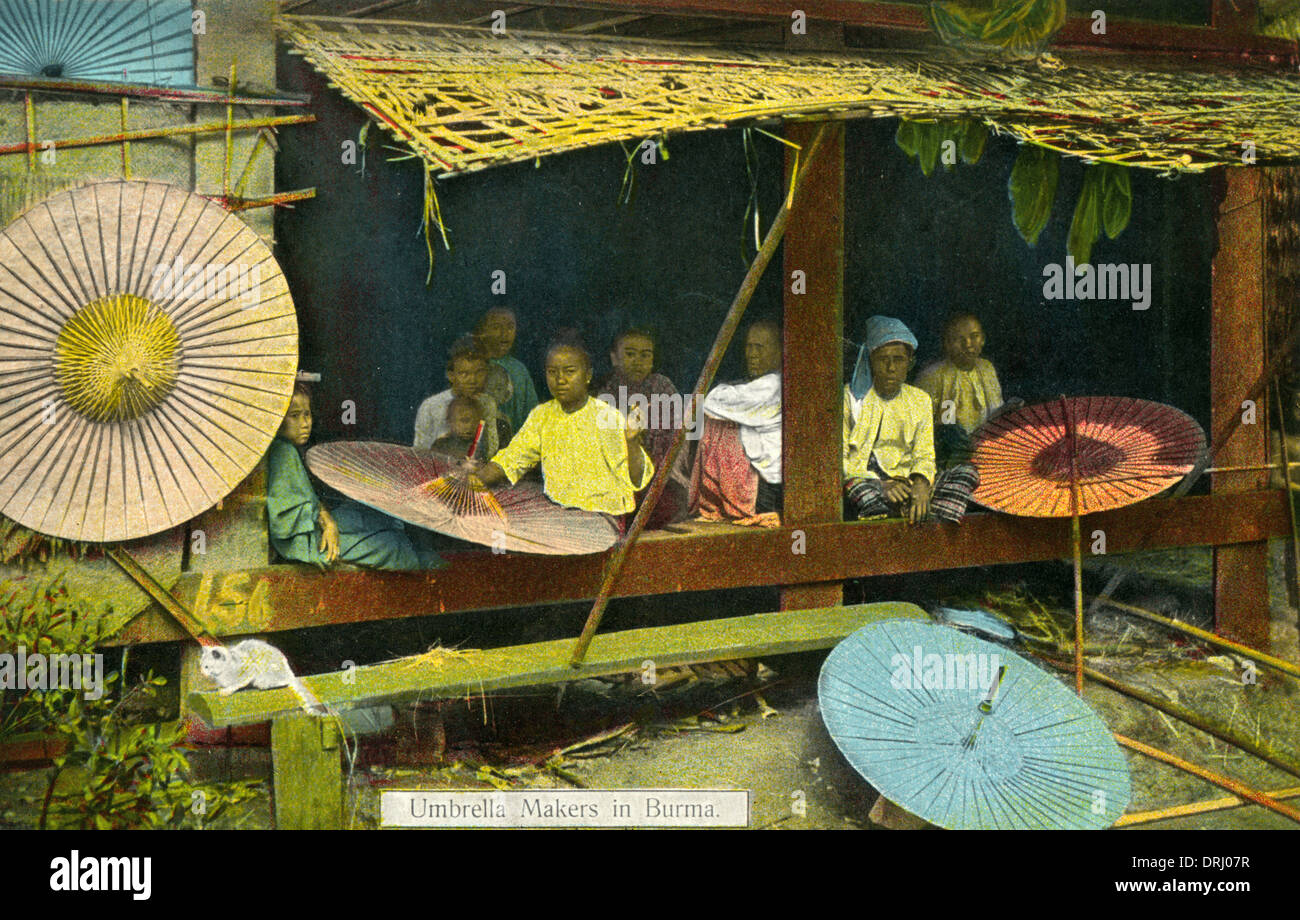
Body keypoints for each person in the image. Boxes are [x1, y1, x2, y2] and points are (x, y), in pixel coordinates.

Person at [465, 339, 653, 522]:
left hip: (603, 516)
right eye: (552, 372)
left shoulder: (608, 417)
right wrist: (477, 479)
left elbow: (636, 480)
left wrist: (631, 442)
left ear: (587, 375)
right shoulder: (542, 415)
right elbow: (512, 458)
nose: (560, 380)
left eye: (569, 372)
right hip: (560, 512)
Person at [267, 383, 442, 570]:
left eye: (307, 414)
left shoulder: (290, 449)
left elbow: (307, 499)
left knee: (372, 516)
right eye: (294, 416)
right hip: (306, 539)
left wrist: (327, 519)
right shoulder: (282, 451)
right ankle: (426, 564)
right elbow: (292, 517)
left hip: (316, 525)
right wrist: (328, 523)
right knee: (390, 545)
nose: (305, 423)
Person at [843, 316, 979, 524]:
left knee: (967, 473)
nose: (890, 368)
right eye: (882, 359)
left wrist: (921, 484)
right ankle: (893, 516)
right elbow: (841, 459)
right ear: (871, 362)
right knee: (856, 487)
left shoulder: (919, 400)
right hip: (872, 483)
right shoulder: (851, 397)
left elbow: (924, 454)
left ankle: (929, 518)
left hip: (908, 484)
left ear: (910, 363)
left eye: (898, 360)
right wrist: (882, 485)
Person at [689, 319, 783, 525]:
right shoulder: (757, 384)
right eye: (749, 347)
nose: (752, 354)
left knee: (720, 423)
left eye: (759, 347)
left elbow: (712, 401)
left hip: (764, 489)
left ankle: (717, 502)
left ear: (778, 351)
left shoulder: (774, 384)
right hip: (757, 484)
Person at [598, 327, 689, 528]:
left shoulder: (662, 387)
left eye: (645, 355)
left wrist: (659, 470)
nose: (637, 361)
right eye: (630, 354)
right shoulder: (607, 394)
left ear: (652, 360)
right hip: (622, 478)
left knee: (665, 506)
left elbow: (677, 437)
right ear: (615, 358)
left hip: (661, 479)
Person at [915, 312, 1006, 466]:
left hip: (987, 450)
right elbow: (920, 428)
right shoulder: (933, 376)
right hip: (950, 457)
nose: (968, 344)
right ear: (947, 343)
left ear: (983, 339)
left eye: (974, 336)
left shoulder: (986, 368)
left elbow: (994, 412)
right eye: (959, 339)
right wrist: (945, 432)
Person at [413, 337, 508, 455]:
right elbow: (421, 451)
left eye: (479, 373)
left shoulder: (487, 403)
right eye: (464, 374)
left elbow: (491, 447)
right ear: (451, 375)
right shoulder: (431, 406)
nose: (472, 380)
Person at [475, 307, 539, 433]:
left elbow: (533, 413)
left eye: (510, 327)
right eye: (496, 327)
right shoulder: (473, 365)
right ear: (483, 331)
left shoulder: (520, 369)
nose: (504, 333)